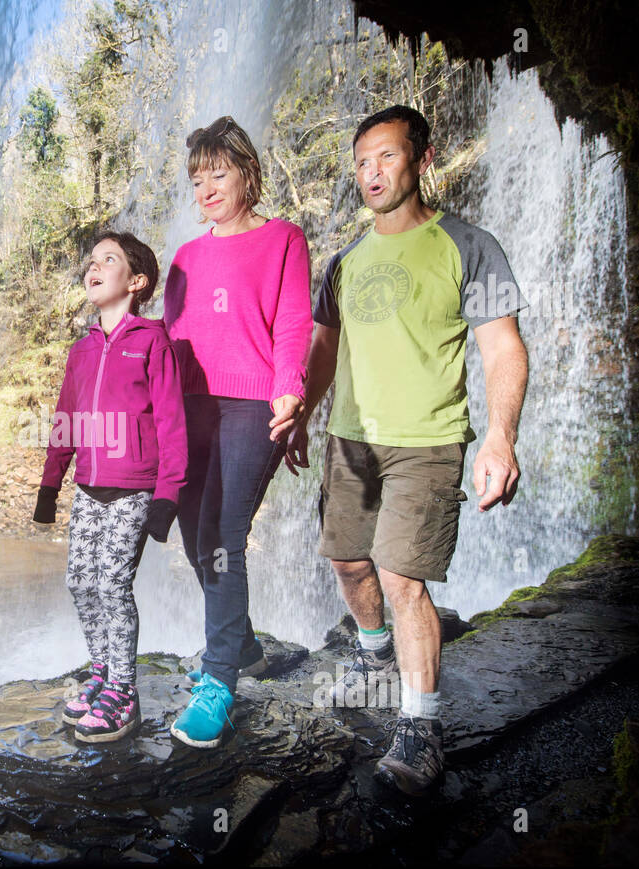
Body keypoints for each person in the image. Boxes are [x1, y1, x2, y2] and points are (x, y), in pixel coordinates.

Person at [281, 105, 530, 796]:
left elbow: (503, 346)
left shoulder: (468, 245)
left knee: (401, 580)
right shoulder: (345, 262)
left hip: (427, 441)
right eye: (362, 162)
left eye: (386, 157)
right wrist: (300, 411)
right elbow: (324, 349)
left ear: (420, 160)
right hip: (350, 440)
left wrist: (502, 435)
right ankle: (371, 652)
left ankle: (422, 727)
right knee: (348, 562)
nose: (372, 173)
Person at [161, 116, 313, 748]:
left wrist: (292, 390)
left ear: (248, 172)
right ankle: (244, 645)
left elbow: (294, 321)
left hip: (254, 405)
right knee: (197, 537)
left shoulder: (283, 239)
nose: (206, 189)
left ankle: (218, 681)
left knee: (223, 531)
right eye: (198, 179)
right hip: (191, 407)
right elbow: (167, 344)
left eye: (218, 174)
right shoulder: (185, 258)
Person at [33, 231, 187, 743]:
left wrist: (167, 497)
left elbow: (171, 423)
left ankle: (124, 691)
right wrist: (49, 485)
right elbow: (65, 421)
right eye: (90, 262)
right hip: (89, 488)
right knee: (81, 582)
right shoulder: (82, 350)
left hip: (135, 488)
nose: (92, 269)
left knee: (111, 585)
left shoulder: (150, 342)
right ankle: (101, 673)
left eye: (108, 260)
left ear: (137, 281)